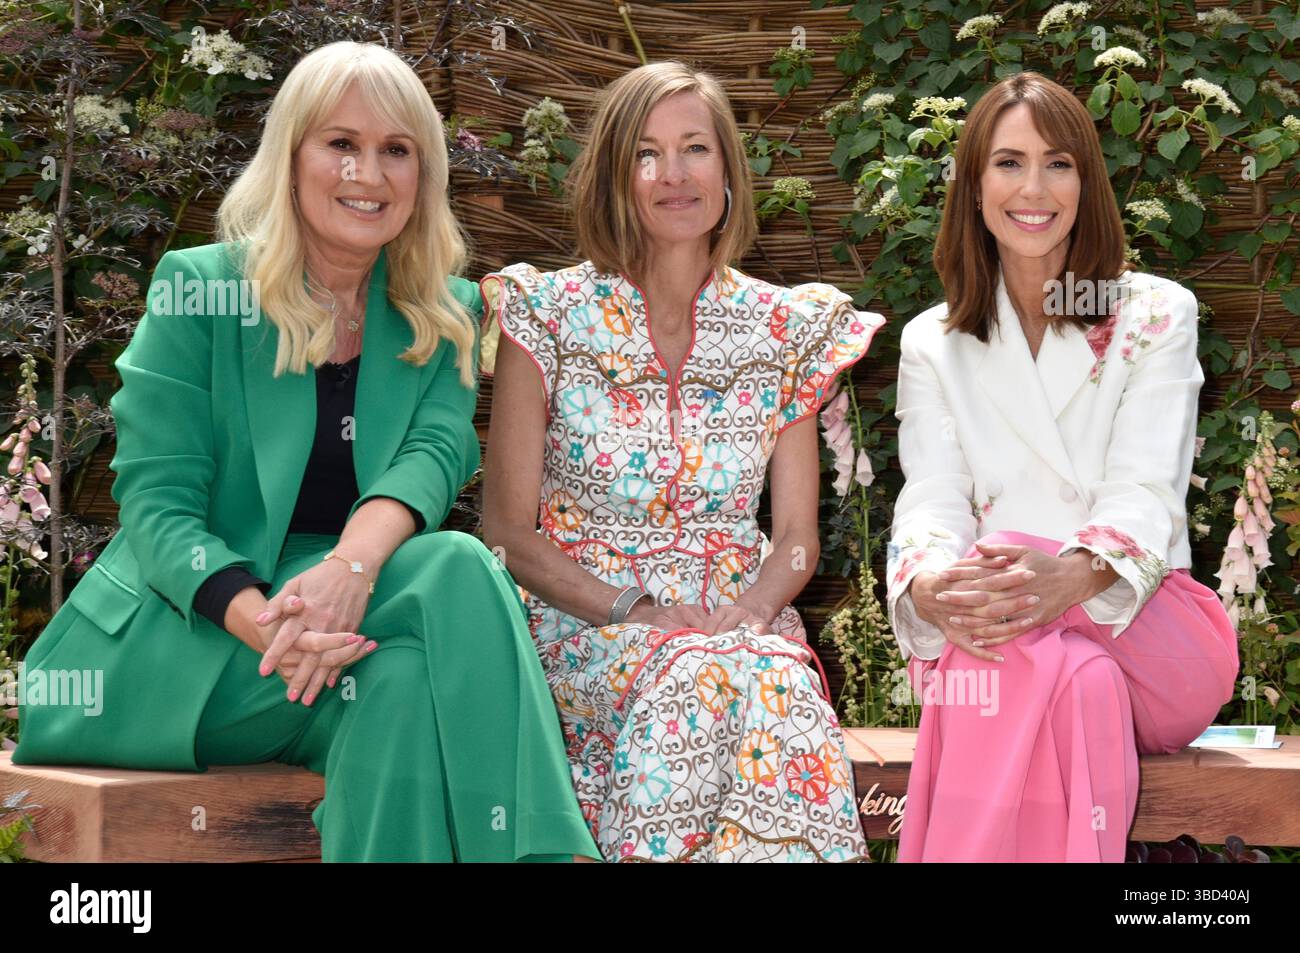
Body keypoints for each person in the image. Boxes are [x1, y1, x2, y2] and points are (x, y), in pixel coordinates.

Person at [13, 41, 600, 863]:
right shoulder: (199, 290)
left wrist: (348, 574)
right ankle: (550, 856)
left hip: (340, 644)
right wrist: (275, 625)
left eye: (397, 150)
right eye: (342, 143)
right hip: (186, 652)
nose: (369, 172)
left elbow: (432, 456)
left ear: (423, 176)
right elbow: (157, 507)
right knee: (459, 568)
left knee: (396, 687)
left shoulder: (447, 311)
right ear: (290, 157)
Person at [481, 61, 881, 862]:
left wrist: (756, 610)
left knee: (779, 683)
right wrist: (631, 609)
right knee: (698, 678)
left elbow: (797, 536)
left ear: (727, 169)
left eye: (695, 148)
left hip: (736, 624)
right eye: (646, 153)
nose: (673, 175)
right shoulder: (548, 314)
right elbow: (505, 534)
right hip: (583, 622)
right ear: (614, 176)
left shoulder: (782, 327)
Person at [886, 71, 1239, 862]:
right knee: (1067, 676)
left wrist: (1071, 575)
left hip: (1150, 633)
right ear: (973, 184)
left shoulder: (1154, 313)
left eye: (1058, 163)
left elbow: (1146, 488)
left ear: (1088, 179)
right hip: (997, 635)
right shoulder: (931, 342)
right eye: (1008, 162)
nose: (1033, 188)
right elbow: (932, 497)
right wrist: (930, 585)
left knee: (1012, 593)